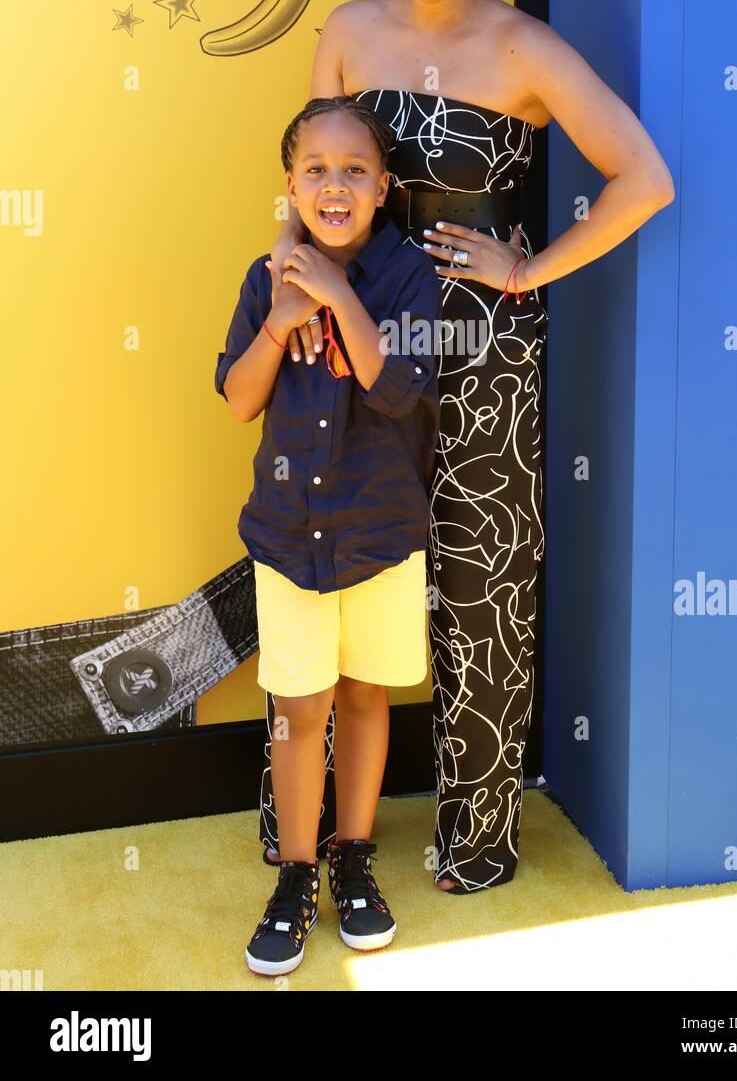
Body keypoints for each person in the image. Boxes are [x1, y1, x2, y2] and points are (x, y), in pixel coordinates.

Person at [259, 0, 675, 894]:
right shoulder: (348, 31)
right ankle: (302, 832)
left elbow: (644, 177)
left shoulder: (526, 48)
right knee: (333, 552)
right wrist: (295, 295)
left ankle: (477, 834)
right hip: (359, 340)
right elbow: (309, 182)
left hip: (488, 355)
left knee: (482, 580)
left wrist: (526, 269)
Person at [215, 97, 442, 975]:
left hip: (380, 532)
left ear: (383, 188)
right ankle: (297, 872)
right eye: (317, 169)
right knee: (300, 708)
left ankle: (354, 858)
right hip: (288, 537)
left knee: (365, 698)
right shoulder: (262, 278)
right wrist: (282, 315)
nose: (335, 185)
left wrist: (340, 294)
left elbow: (396, 391)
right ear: (291, 185)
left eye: (355, 170)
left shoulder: (407, 278)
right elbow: (240, 399)